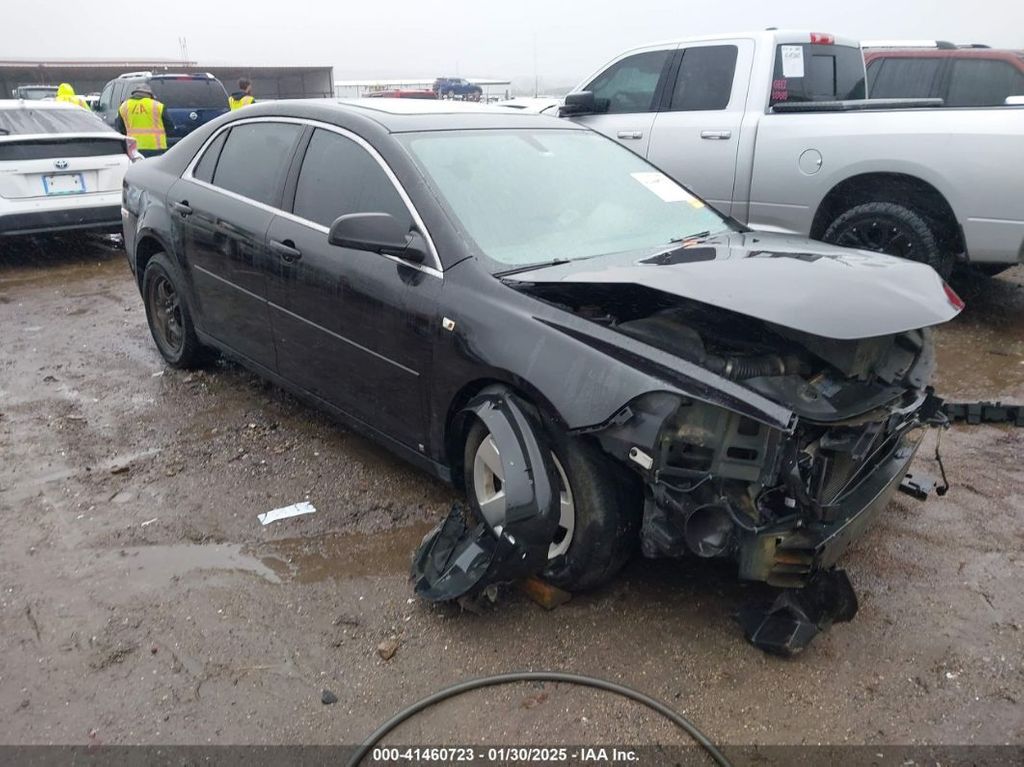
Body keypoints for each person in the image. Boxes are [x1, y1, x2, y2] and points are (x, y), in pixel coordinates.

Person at [115, 85, 174, 157]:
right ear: (150, 95)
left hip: (133, 148)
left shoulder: (124, 106)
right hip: (157, 148)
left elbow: (121, 129)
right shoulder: (158, 106)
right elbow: (170, 127)